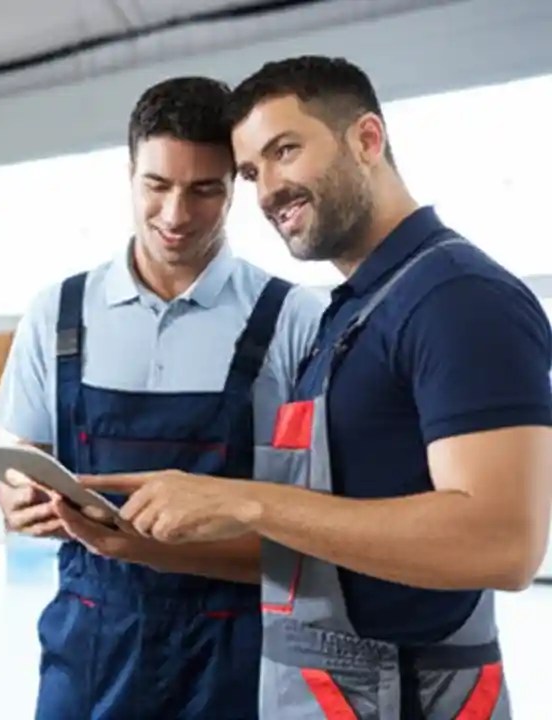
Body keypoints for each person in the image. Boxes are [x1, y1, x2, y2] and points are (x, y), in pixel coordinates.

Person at [49, 56, 552, 719]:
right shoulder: (350, 313)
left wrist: (249, 502)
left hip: (409, 696)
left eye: (285, 151)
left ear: (366, 140)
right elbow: (327, 549)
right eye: (253, 172)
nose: (268, 191)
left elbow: (503, 544)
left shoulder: (456, 298)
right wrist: (134, 542)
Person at [0, 76, 325, 720]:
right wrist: (14, 498)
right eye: (157, 186)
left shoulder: (293, 322)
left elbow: (312, 527)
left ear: (238, 186)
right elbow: (19, 459)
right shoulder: (57, 315)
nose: (175, 215)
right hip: (89, 648)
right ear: (129, 173)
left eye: (204, 190)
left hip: (236, 654)